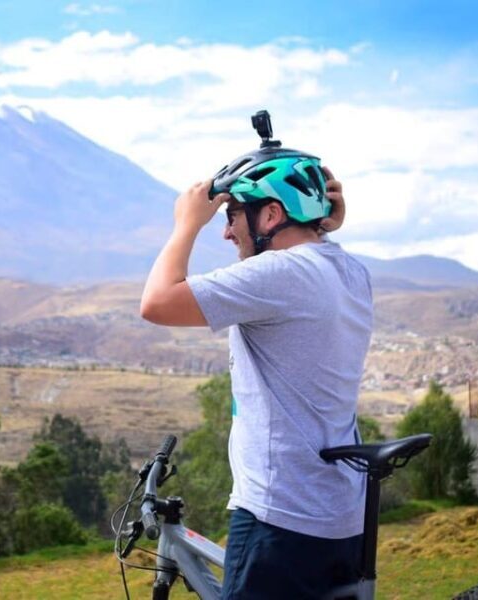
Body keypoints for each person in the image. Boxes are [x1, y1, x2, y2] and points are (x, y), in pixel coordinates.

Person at [140, 121, 371, 599]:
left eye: (234, 215)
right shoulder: (349, 270)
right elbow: (315, 245)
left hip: (279, 515)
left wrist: (187, 223)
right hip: (340, 513)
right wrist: (321, 220)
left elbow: (157, 303)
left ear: (269, 216)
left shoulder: (279, 273)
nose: (225, 232)